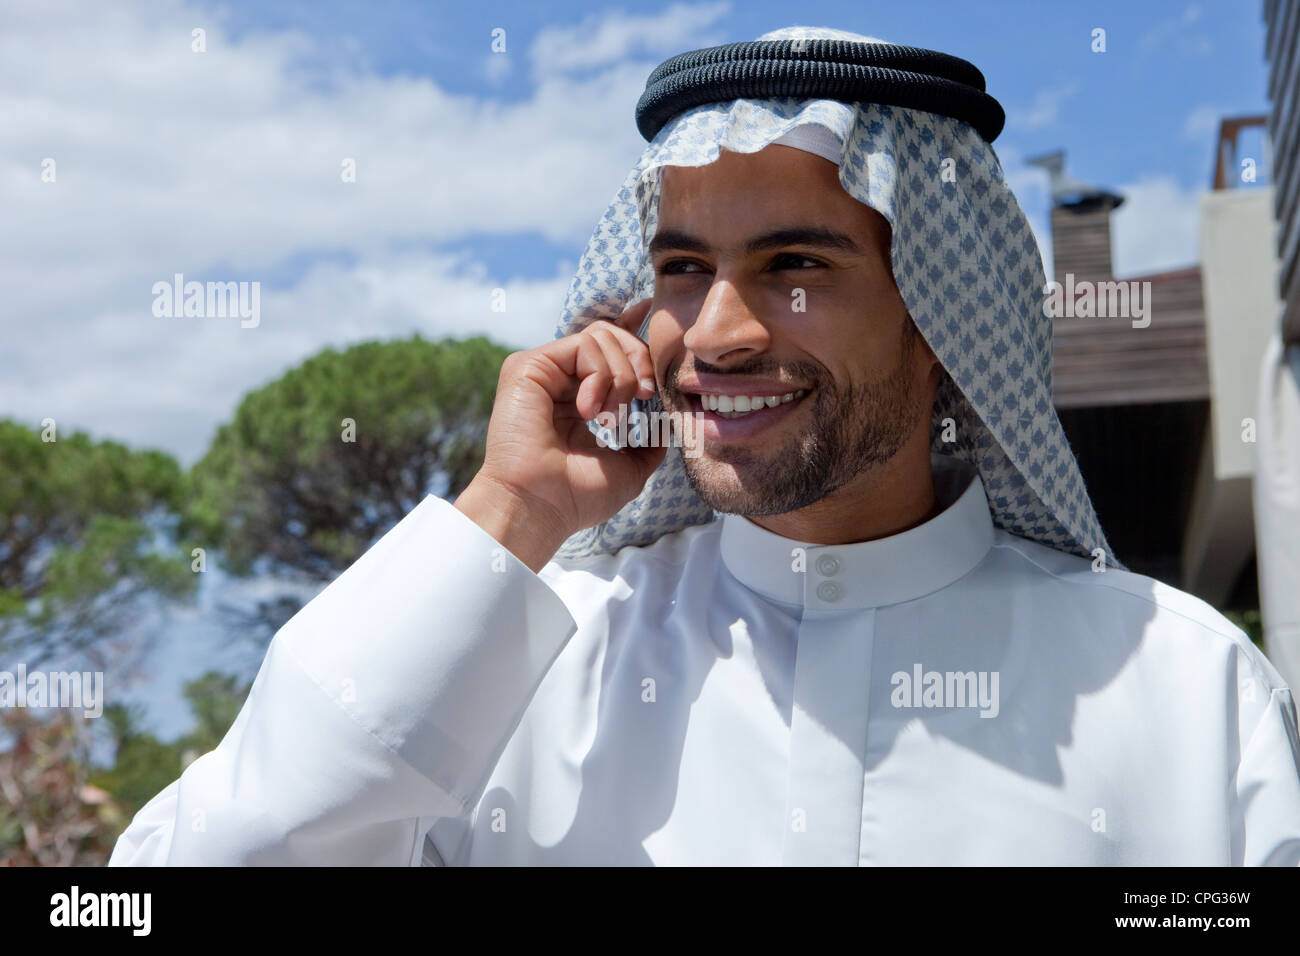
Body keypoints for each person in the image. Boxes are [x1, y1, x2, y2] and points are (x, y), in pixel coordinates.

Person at [110, 26, 1300, 866]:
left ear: (944, 315)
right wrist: (507, 516)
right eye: (683, 267)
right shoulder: (515, 672)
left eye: (795, 266)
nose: (715, 333)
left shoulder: (1184, 691)